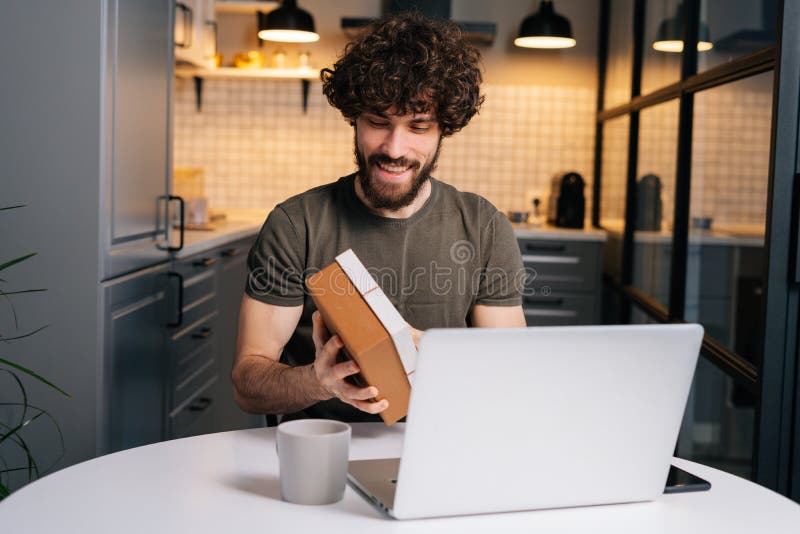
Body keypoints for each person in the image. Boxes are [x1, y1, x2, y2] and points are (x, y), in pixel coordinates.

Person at [232, 12, 526, 423]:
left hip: (440, 443)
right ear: (354, 118)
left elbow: (514, 375)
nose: (394, 147)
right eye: (378, 122)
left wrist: (444, 359)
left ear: (445, 128)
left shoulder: (485, 227)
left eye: (418, 126)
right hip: (324, 449)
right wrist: (319, 381)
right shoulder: (295, 225)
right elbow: (248, 382)